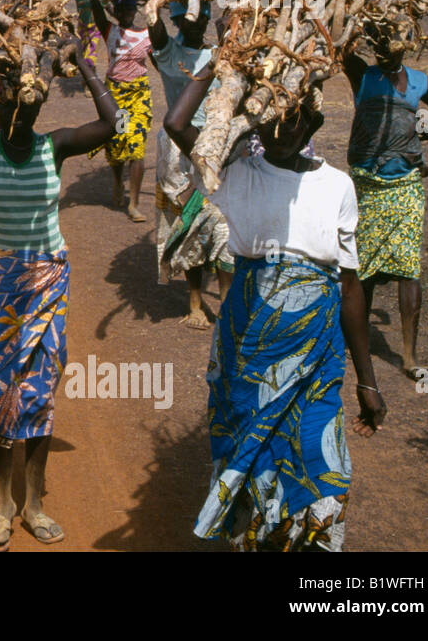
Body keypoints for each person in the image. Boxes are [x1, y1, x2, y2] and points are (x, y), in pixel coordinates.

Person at [165, 65, 386, 551]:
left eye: (293, 122)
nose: (279, 133)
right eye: (267, 122)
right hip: (248, 348)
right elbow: (177, 126)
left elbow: (350, 288)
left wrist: (367, 379)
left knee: (324, 472)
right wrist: (221, 68)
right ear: (254, 123)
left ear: (313, 124)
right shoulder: (239, 175)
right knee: (250, 462)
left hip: (315, 354)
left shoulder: (338, 187)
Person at [0, 31, 118, 552]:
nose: (21, 116)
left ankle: (33, 504)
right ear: (0, 102)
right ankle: (3, 503)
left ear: (38, 107)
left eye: (30, 107)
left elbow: (108, 124)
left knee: (37, 392)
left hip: (48, 279)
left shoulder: (52, 147)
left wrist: (84, 64)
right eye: (11, 103)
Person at [344, 37, 428, 380]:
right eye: (380, 43)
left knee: (408, 267)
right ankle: (356, 343)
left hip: (406, 183)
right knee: (365, 266)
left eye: (393, 43)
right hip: (368, 185)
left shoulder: (418, 80)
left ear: (405, 45)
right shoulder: (363, 75)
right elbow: (340, 46)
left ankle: (408, 357)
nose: (386, 51)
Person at [146, 0, 233, 327]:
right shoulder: (169, 54)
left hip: (214, 142)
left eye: (202, 18)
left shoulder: (219, 55)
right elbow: (151, 16)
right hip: (178, 148)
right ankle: (195, 303)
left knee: (225, 223)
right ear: (178, 21)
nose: (194, 25)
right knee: (191, 221)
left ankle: (226, 305)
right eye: (187, 19)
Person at [85, 0, 153, 221]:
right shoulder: (110, 30)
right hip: (116, 95)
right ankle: (117, 182)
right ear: (116, 11)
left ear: (135, 12)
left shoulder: (147, 35)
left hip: (138, 96)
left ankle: (133, 204)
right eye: (122, 10)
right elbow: (96, 11)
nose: (126, 14)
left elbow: (158, 59)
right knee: (117, 143)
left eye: (130, 10)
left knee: (136, 146)